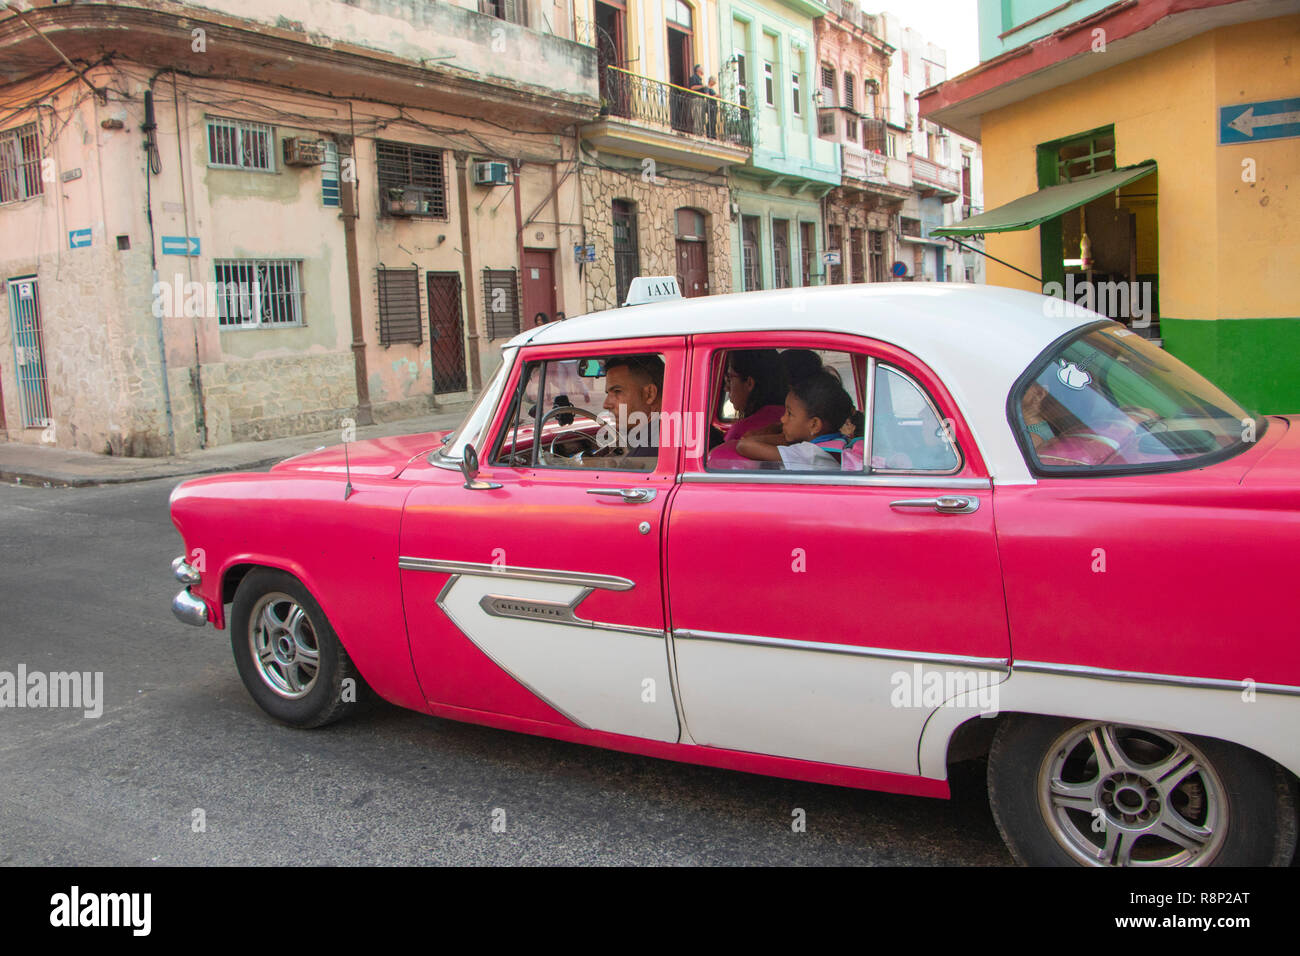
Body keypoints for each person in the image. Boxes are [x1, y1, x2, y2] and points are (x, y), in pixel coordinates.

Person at [737, 370, 864, 471]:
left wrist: (783, 439)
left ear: (814, 425)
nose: (782, 419)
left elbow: (744, 445)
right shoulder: (838, 442)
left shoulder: (809, 455)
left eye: (790, 413)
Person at [722, 349, 787, 441]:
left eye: (729, 378)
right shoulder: (794, 422)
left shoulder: (740, 432)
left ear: (749, 383)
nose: (726, 388)